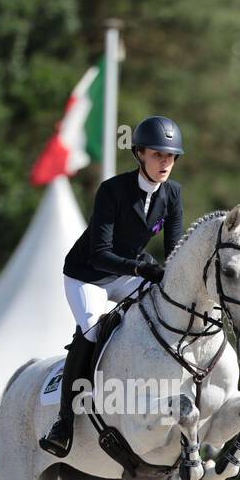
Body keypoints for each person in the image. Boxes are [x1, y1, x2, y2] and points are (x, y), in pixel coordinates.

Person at [39, 115, 186, 457]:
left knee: (162, 309)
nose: (165, 163)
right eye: (157, 155)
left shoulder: (173, 194)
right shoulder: (113, 191)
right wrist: (142, 267)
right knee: (91, 329)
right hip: (87, 274)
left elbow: (174, 252)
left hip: (128, 274)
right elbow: (101, 253)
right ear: (140, 154)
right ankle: (63, 421)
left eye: (170, 156)